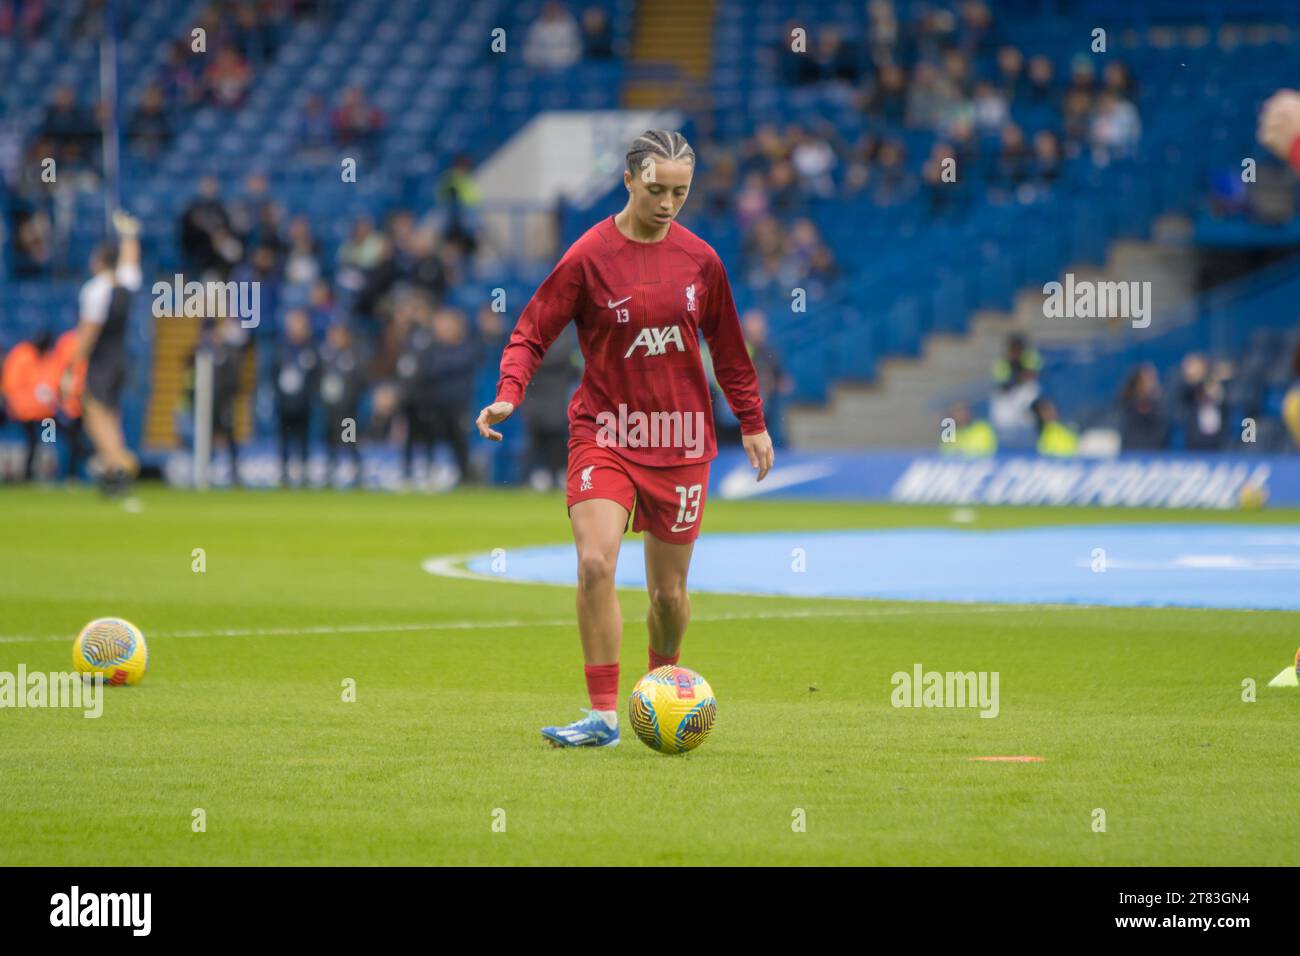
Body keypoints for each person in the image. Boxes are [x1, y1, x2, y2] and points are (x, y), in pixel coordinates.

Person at [475, 129, 774, 748]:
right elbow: (532, 331)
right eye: (657, 189)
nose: (668, 204)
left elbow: (728, 349)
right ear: (630, 179)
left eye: (681, 193)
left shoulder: (702, 262)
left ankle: (663, 689)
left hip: (681, 440)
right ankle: (603, 717)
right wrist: (510, 391)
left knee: (668, 595)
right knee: (594, 563)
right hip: (605, 431)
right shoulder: (589, 256)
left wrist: (752, 421)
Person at [70, 209, 142, 496]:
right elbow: (131, 260)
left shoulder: (95, 290)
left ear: (99, 261)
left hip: (102, 359)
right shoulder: (126, 282)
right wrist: (128, 234)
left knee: (95, 413)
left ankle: (116, 465)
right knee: (111, 414)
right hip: (121, 356)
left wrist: (72, 364)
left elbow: (89, 331)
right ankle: (115, 467)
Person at [273, 309, 319, 487]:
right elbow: (273, 374)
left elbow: (316, 375)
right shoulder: (281, 348)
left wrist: (311, 394)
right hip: (284, 403)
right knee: (283, 439)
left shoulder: (311, 348)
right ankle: (283, 474)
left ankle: (304, 474)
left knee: (303, 440)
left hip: (303, 403)